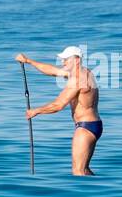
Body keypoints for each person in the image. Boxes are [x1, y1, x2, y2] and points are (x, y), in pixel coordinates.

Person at [15, 46, 102, 176]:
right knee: (84, 169)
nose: (62, 62)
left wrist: (36, 111)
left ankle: (85, 195)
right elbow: (53, 71)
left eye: (66, 59)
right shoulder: (83, 72)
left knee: (78, 171)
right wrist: (28, 61)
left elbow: (59, 104)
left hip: (85, 128)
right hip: (93, 124)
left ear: (77, 60)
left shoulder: (78, 79)